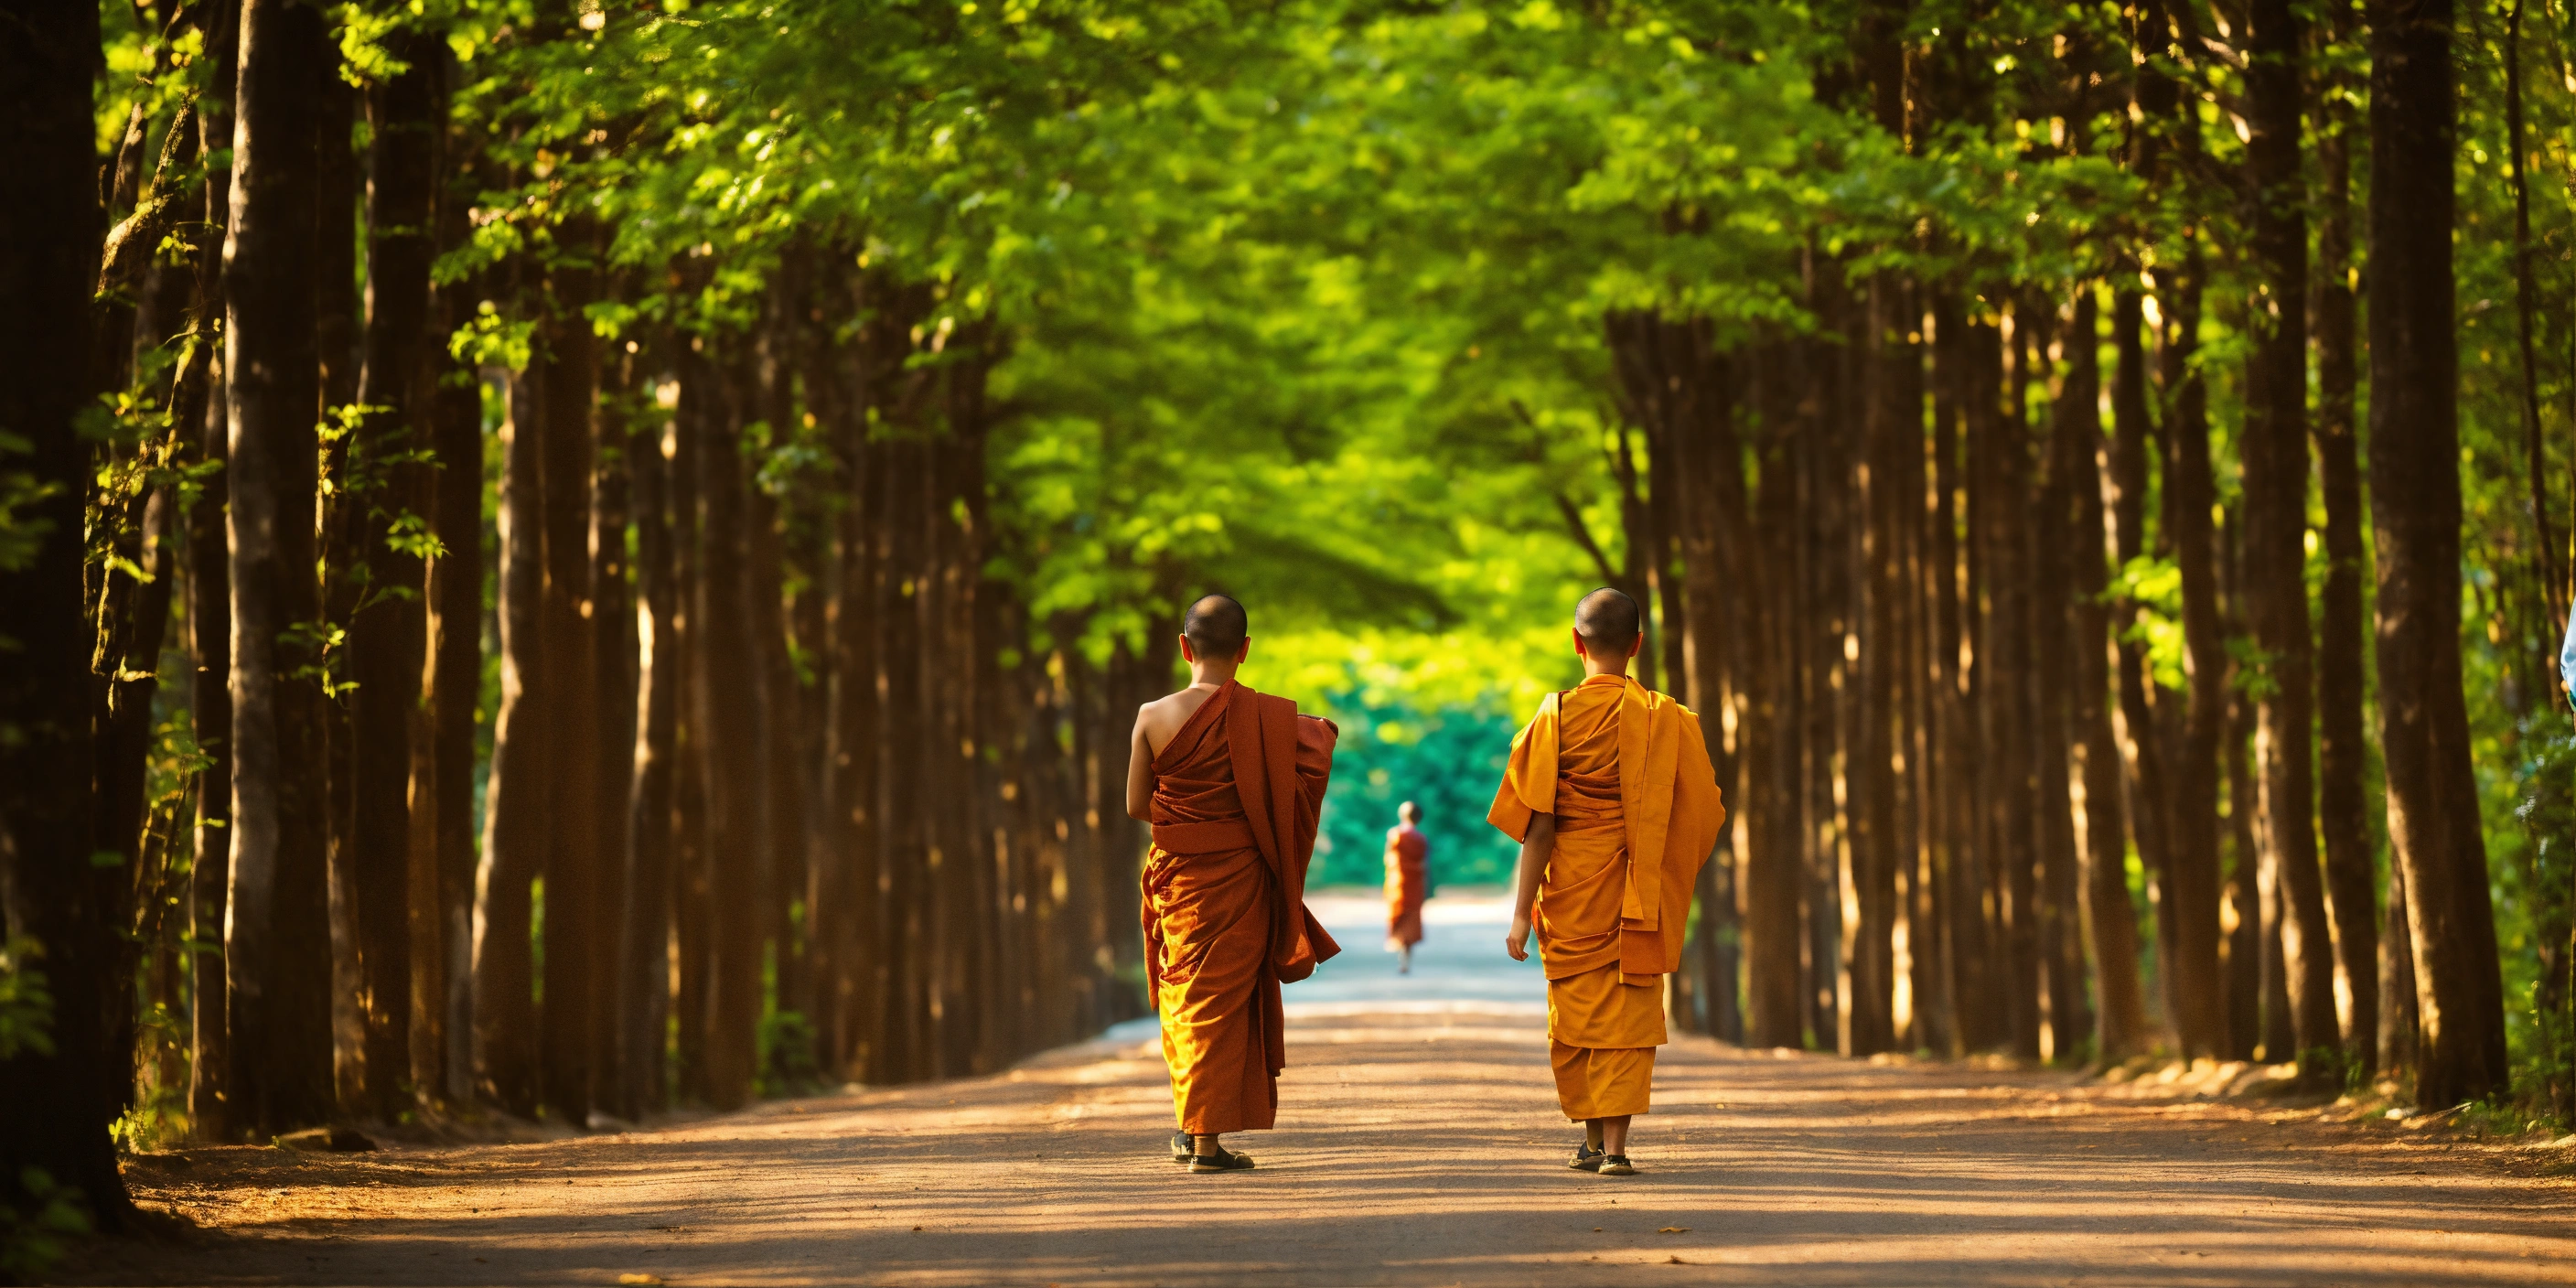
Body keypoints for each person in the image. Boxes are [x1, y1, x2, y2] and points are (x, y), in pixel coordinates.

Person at [1488, 587, 1724, 1177]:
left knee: (1578, 1013)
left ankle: (1594, 1141)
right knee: (1626, 1009)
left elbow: (1538, 826)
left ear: (1576, 643)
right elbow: (1702, 812)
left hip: (1570, 890)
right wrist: (1662, 869)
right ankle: (1612, 1148)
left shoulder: (1554, 718)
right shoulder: (1667, 718)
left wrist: (1521, 913)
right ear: (1638, 645)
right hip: (1636, 886)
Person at [1128, 593, 1340, 1173]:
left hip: (1179, 878)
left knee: (1187, 998)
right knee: (1222, 1001)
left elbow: (1135, 804)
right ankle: (1204, 1141)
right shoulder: (1270, 721)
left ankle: (1195, 1130)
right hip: (1242, 876)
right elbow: (1310, 760)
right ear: (1245, 650)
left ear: (1182, 647)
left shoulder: (1152, 715)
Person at [1384, 802, 1430, 972]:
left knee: (1397, 915)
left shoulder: (1394, 835)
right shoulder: (1421, 839)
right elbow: (1424, 864)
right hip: (1415, 884)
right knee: (1411, 919)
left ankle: (1399, 953)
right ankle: (1405, 960)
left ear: (1401, 815)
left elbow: (1389, 859)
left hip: (1397, 882)